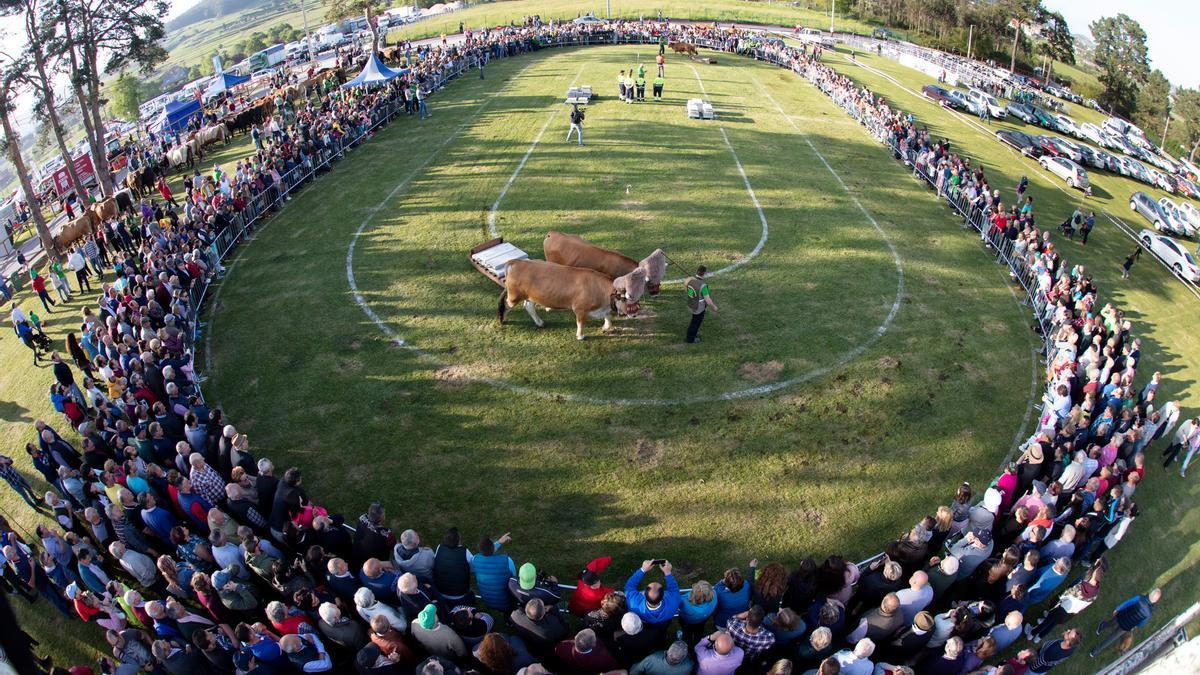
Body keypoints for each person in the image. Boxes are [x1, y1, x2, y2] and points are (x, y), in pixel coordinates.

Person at [1089, 588, 1161, 657]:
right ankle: (1094, 652)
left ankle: (1102, 626)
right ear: (1155, 601)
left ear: (1150, 594)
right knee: (1110, 639)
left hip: (1121, 616)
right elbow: (1141, 624)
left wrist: (1118, 609)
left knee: (1111, 623)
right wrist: (1135, 625)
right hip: (1126, 626)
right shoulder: (1149, 613)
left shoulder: (1139, 597)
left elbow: (1128, 603)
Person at [625, 560, 680, 626]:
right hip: (664, 623)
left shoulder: (633, 604)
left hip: (644, 622)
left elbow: (629, 586)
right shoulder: (674, 603)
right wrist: (667, 572)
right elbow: (674, 590)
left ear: (644, 594)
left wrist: (643, 570)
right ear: (664, 595)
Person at [685, 266, 718, 343]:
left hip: (691, 304)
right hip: (699, 308)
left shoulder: (690, 281)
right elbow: (708, 300)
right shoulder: (703, 286)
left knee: (695, 321)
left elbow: (689, 292)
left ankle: (693, 334)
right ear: (704, 274)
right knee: (695, 323)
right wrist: (714, 307)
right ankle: (690, 338)